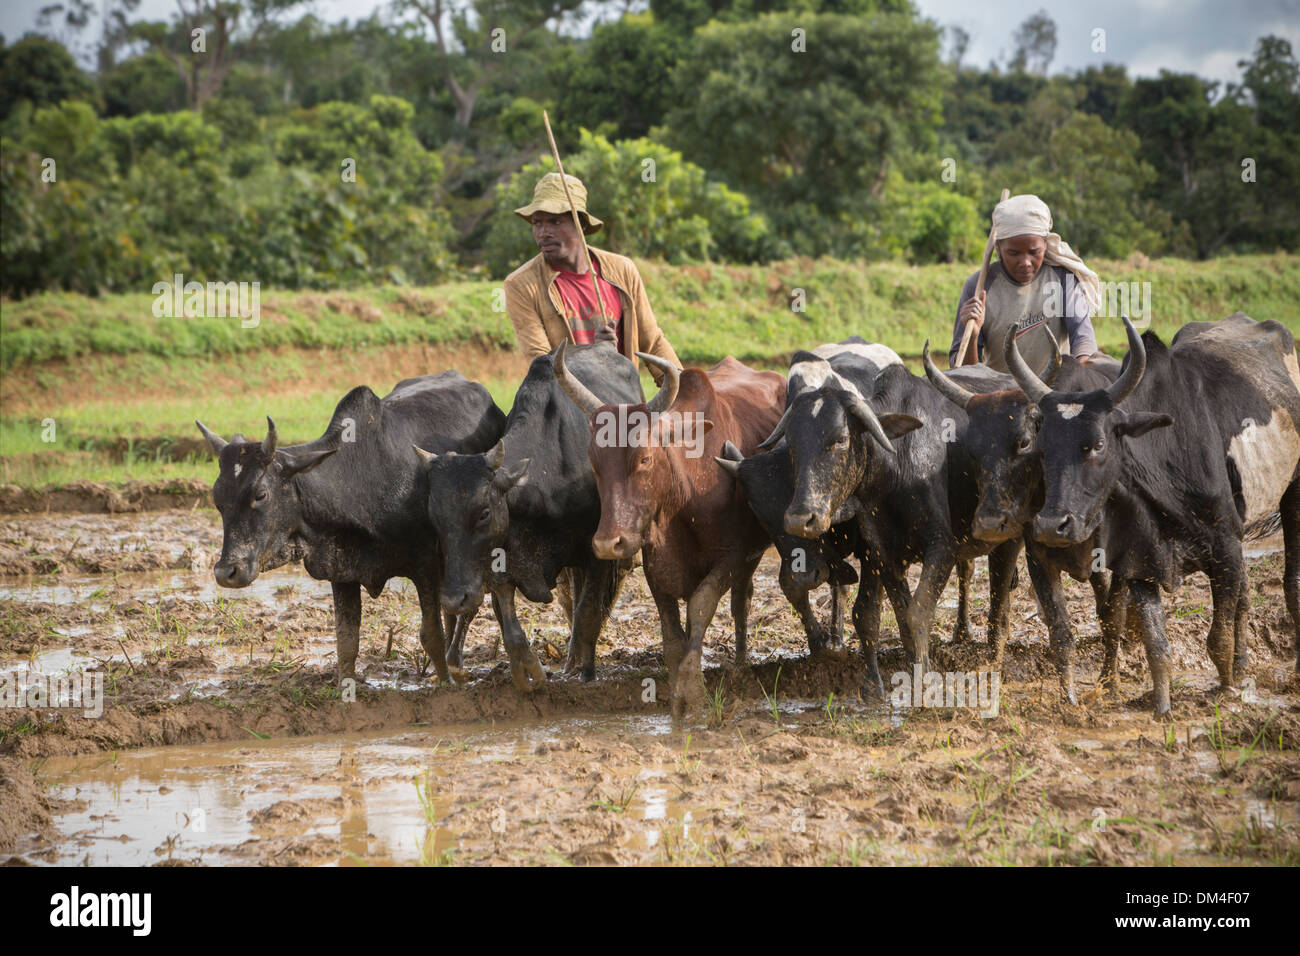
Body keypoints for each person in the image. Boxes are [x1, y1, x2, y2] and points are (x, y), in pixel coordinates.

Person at [503, 172, 681, 383]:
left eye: (554, 221)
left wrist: (684, 388)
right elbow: (541, 363)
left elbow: (652, 341)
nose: (543, 232)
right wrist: (593, 353)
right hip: (568, 409)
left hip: (625, 401)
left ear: (582, 225)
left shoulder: (622, 270)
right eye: (537, 222)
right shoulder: (522, 285)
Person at [948, 194, 1103, 371]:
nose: (1025, 262)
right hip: (999, 394)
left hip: (1055, 392)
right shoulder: (979, 287)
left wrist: (1081, 373)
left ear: (1045, 244)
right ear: (998, 248)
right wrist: (973, 334)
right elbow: (961, 370)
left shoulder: (1062, 278)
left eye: (1034, 252)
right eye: (1014, 253)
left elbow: (1083, 338)